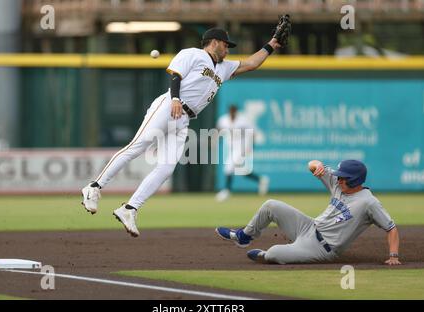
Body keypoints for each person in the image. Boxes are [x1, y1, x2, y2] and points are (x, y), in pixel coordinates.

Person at [81, 27, 285, 237]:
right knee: (138, 146)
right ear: (214, 42)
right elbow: (176, 76)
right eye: (226, 45)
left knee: (167, 167)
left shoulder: (223, 68)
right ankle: (94, 187)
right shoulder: (193, 54)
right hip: (170, 105)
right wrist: (176, 99)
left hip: (185, 118)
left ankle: (129, 209)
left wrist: (272, 45)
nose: (228, 49)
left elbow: (252, 63)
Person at [215, 159, 401, 265]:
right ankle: (244, 236)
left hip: (322, 248)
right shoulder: (338, 183)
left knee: (273, 254)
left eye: (344, 178)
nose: (339, 179)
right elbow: (311, 164)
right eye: (340, 176)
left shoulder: (369, 202)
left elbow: (391, 228)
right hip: (309, 226)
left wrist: (393, 256)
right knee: (271, 205)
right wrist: (316, 164)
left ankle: (266, 256)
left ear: (355, 181)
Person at [215, 104, 269, 202]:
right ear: (228, 111)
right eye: (231, 111)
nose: (232, 113)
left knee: (229, 166)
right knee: (242, 171)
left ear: (236, 111)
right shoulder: (224, 120)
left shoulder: (243, 120)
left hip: (242, 147)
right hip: (231, 147)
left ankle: (226, 191)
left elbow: (254, 132)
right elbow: (218, 130)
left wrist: (251, 147)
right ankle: (261, 179)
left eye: (234, 111)